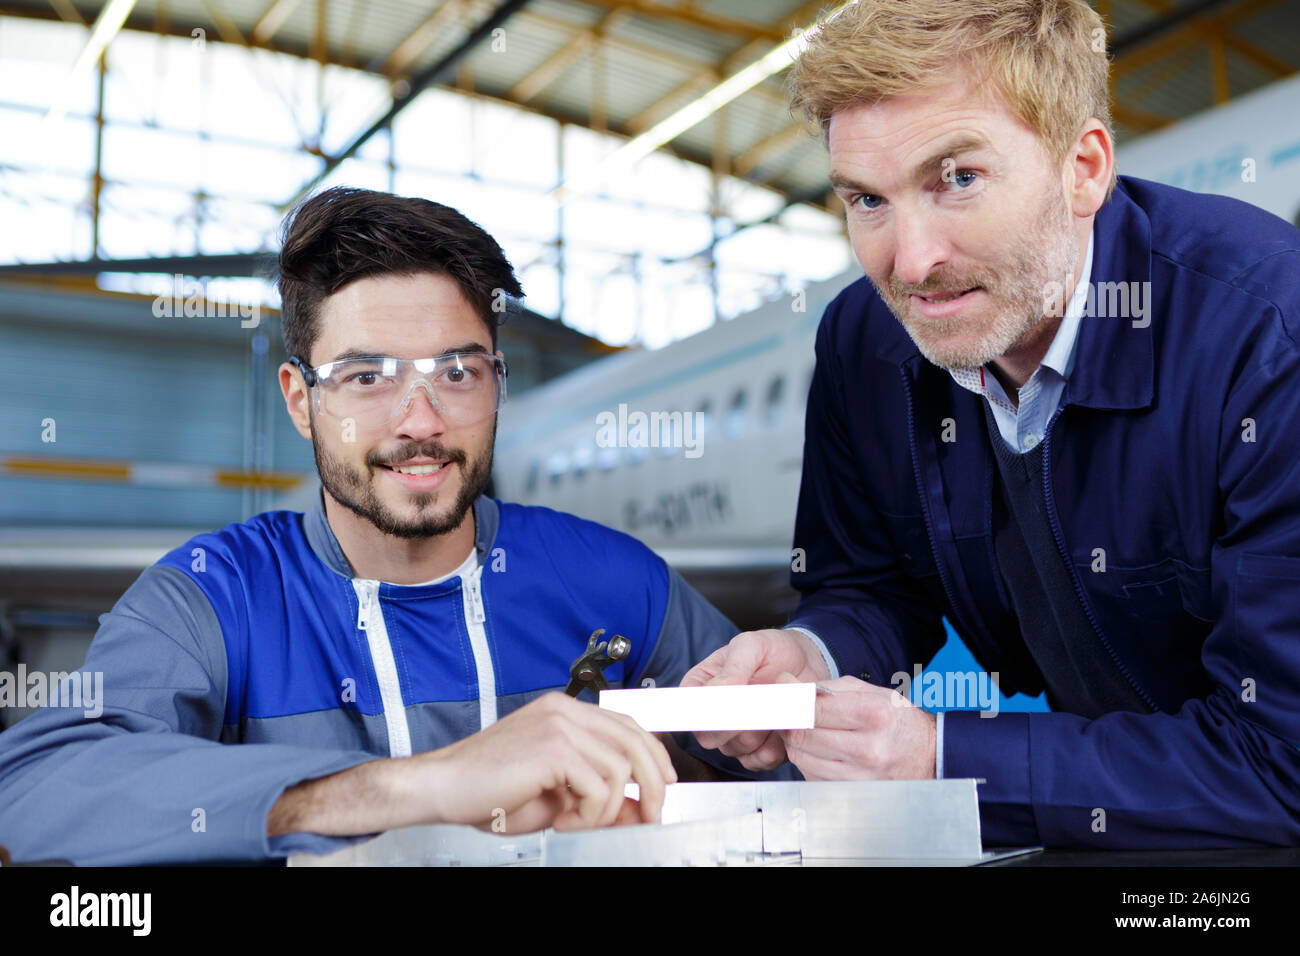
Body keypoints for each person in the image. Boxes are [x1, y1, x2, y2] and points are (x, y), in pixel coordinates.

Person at [683, 0, 1300, 848]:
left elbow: (1281, 763)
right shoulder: (865, 345)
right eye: (868, 199)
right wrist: (813, 655)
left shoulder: (1267, 341)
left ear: (1083, 169)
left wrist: (940, 757)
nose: (909, 262)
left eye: (958, 180)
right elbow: (872, 584)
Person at [0, 187, 756, 865]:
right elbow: (35, 788)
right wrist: (419, 789)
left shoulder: (617, 581)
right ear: (301, 401)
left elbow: (778, 763)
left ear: (499, 379)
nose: (420, 421)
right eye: (367, 377)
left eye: (457, 372)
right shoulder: (212, 600)